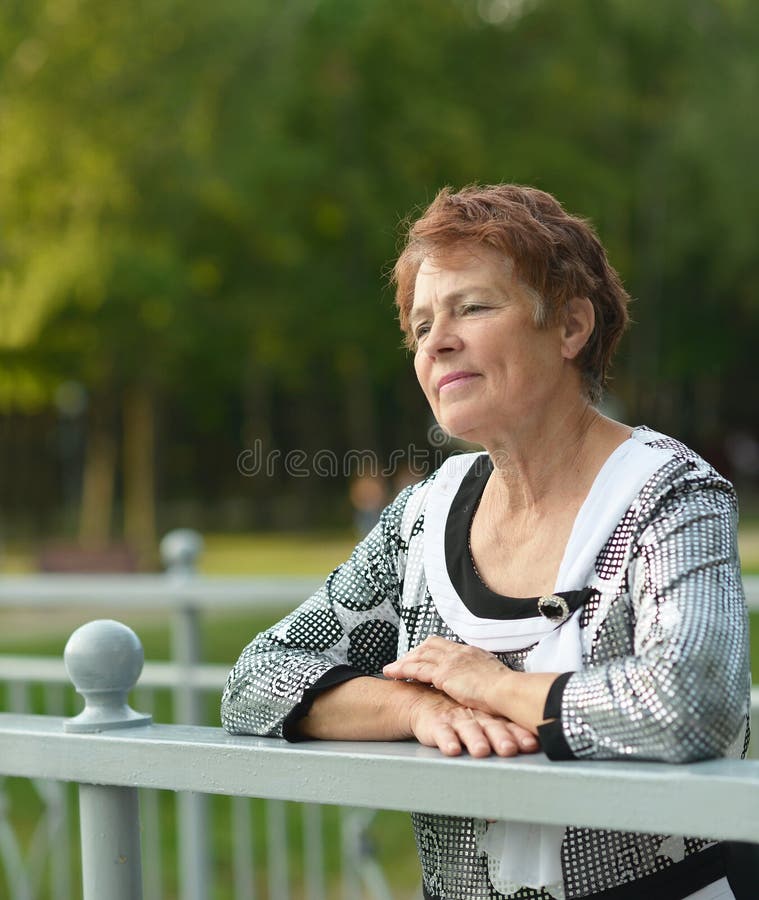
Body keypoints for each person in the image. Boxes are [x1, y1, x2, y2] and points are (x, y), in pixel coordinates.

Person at [222, 184, 751, 900]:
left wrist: (499, 688)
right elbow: (257, 679)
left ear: (568, 327)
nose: (436, 342)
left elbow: (692, 701)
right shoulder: (421, 517)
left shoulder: (670, 493)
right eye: (419, 326)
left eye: (471, 307)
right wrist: (418, 710)